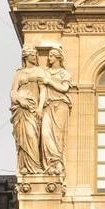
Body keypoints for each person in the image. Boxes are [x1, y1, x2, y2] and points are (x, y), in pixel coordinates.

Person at [10, 47, 46, 174]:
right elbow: (13, 92)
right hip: (20, 108)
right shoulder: (19, 74)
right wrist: (20, 100)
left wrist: (40, 108)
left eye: (35, 55)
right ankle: (25, 166)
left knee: (32, 135)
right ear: (26, 57)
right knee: (22, 137)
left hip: (33, 108)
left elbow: (43, 91)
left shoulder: (39, 71)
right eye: (32, 55)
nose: (35, 57)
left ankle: (35, 166)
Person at [39, 47, 73, 179]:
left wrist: (50, 81)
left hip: (61, 105)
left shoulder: (64, 73)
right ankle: (50, 163)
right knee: (45, 134)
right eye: (49, 55)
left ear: (58, 58)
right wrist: (39, 108)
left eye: (52, 55)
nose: (49, 58)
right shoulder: (45, 72)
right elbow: (42, 91)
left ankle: (58, 164)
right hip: (48, 106)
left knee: (58, 137)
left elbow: (64, 88)